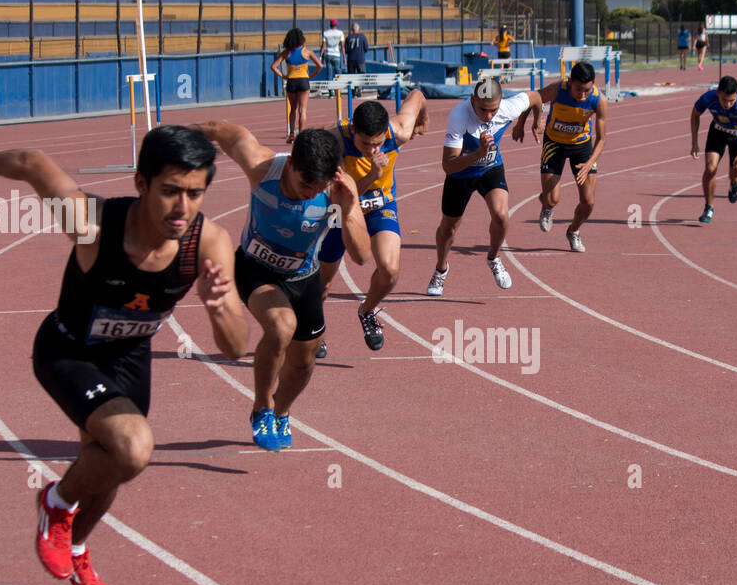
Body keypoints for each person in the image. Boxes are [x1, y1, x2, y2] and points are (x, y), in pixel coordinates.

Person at [0, 126, 248, 585]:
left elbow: (234, 348)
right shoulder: (92, 223)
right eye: (169, 191)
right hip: (68, 350)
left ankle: (78, 545)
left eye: (194, 193)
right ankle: (55, 502)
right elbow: (32, 162)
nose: (182, 208)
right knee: (133, 448)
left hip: (129, 358)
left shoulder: (207, 244)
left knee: (108, 465)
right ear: (141, 184)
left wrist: (218, 305)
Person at [195, 123, 370, 450]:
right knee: (280, 326)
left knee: (304, 361)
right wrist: (188, 135)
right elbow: (224, 131)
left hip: (303, 277)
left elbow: (361, 255)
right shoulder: (262, 167)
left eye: (317, 186)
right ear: (290, 163)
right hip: (254, 268)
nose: (310, 192)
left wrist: (350, 207)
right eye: (305, 183)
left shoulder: (334, 190)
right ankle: (262, 407)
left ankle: (281, 411)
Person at [315, 91, 430, 355]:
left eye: (378, 144)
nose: (373, 150)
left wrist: (424, 120)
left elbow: (417, 95)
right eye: (366, 144)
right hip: (342, 207)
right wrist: (373, 173)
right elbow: (339, 195)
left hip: (380, 204)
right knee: (323, 283)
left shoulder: (398, 130)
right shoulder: (335, 142)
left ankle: (366, 310)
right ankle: (316, 330)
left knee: (390, 271)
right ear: (353, 130)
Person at [427, 77, 543, 297]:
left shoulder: (509, 107)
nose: (489, 115)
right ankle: (441, 269)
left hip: (490, 169)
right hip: (460, 174)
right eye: (483, 110)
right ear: (472, 100)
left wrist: (533, 122)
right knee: (449, 227)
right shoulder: (459, 117)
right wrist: (478, 153)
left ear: (501, 102)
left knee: (501, 215)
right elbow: (448, 166)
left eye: (494, 110)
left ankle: (493, 257)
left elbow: (536, 97)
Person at [518, 60, 607, 252]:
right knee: (552, 199)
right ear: (570, 82)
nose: (582, 95)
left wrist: (589, 163)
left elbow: (601, 139)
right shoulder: (559, 89)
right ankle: (547, 206)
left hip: (581, 147)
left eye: (587, 90)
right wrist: (523, 123)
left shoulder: (598, 100)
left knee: (589, 201)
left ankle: (573, 231)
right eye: (578, 90)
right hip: (555, 143)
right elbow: (533, 98)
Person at [689, 74, 737, 224]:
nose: (727, 105)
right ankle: (709, 207)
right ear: (718, 94)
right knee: (710, 167)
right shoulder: (709, 98)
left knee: (734, 174)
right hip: (718, 132)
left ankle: (735, 184)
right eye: (724, 100)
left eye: (731, 101)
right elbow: (695, 114)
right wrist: (694, 141)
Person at [271, 28, 322, 144]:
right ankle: (302, 137)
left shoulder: (286, 53)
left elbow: (273, 66)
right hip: (304, 81)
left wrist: (283, 75)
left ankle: (292, 134)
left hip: (291, 82)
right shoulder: (306, 52)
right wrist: (312, 75)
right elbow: (320, 65)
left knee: (293, 109)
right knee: (302, 111)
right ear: (301, 38)